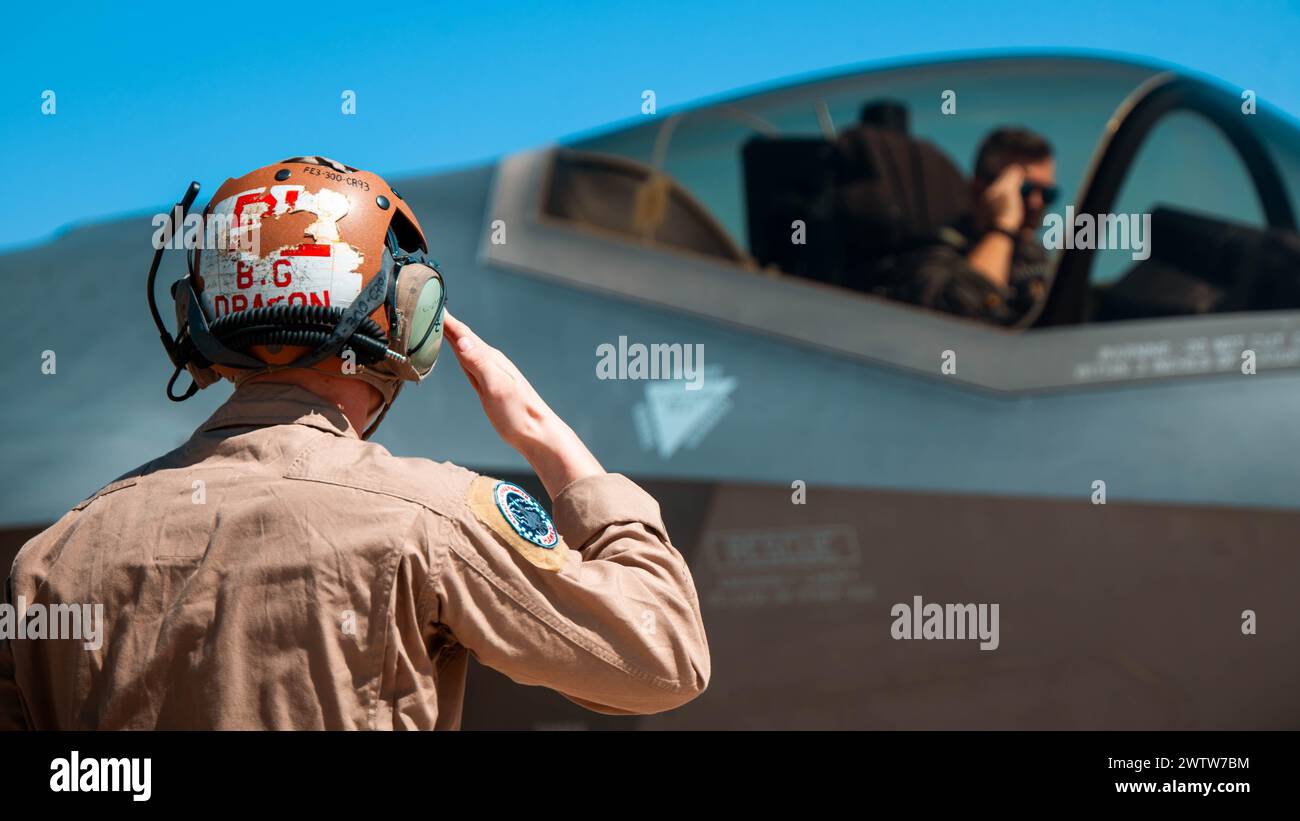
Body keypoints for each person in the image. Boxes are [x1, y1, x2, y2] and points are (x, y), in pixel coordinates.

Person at [0, 156, 710, 730]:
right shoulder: (429, 518)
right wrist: (547, 437)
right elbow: (663, 656)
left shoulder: (51, 561)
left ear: (199, 321)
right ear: (408, 319)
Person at [954, 127, 1058, 320]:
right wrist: (1003, 226)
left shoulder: (1037, 259)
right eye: (1024, 190)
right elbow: (968, 312)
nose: (1036, 203)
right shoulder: (942, 251)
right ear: (978, 189)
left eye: (1047, 194)